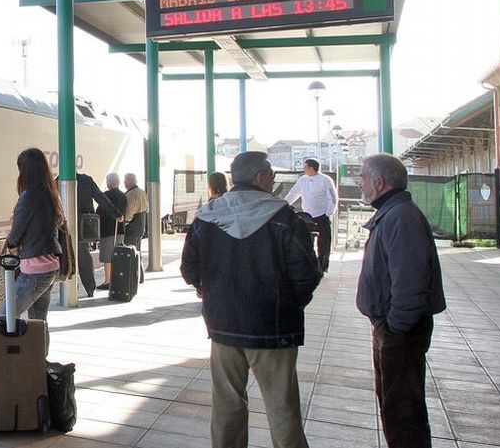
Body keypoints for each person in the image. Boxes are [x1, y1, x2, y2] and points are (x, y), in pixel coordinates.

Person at [180, 151, 321, 448]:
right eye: (271, 174)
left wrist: (210, 294)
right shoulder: (284, 217)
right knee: (282, 407)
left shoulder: (207, 216)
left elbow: (189, 269)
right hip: (273, 328)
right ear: (260, 177)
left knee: (226, 406)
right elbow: (307, 273)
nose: (272, 180)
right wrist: (287, 304)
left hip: (223, 326)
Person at [356, 154, 446, 448]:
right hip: (390, 327)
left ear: (379, 182)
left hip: (399, 330)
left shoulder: (401, 217)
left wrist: (396, 327)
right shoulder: (393, 213)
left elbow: (410, 279)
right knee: (394, 405)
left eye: (363, 177)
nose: (360, 183)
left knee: (403, 411)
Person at [0, 147, 65, 324]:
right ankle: (39, 344)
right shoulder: (51, 194)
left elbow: (16, 233)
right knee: (38, 322)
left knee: (1, 319)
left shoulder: (28, 196)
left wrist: (12, 244)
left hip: (34, 270)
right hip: (50, 266)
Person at [283, 158, 339, 272]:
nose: (303, 168)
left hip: (322, 215)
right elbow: (293, 193)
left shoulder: (325, 180)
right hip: (307, 216)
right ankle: (307, 265)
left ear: (311, 168)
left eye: (305, 166)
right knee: (305, 241)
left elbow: (333, 198)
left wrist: (328, 213)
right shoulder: (302, 180)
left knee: (323, 243)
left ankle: (322, 266)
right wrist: (284, 205)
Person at [76, 172, 117, 298]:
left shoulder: (57, 182)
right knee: (84, 256)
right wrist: (116, 213)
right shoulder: (86, 181)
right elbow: (101, 198)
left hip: (65, 225)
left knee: (66, 256)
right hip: (84, 225)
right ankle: (90, 288)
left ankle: (69, 287)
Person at [98, 172, 128, 289]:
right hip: (120, 229)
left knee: (108, 256)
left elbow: (100, 211)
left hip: (108, 230)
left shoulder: (106, 195)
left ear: (108, 183)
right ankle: (116, 279)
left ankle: (108, 280)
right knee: (117, 254)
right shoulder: (123, 195)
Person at [121, 172, 148, 250]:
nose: (124, 183)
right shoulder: (142, 192)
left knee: (129, 251)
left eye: (125, 181)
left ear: (127, 182)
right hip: (140, 227)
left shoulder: (130, 195)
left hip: (131, 229)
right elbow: (147, 209)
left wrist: (123, 223)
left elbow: (128, 214)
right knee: (137, 251)